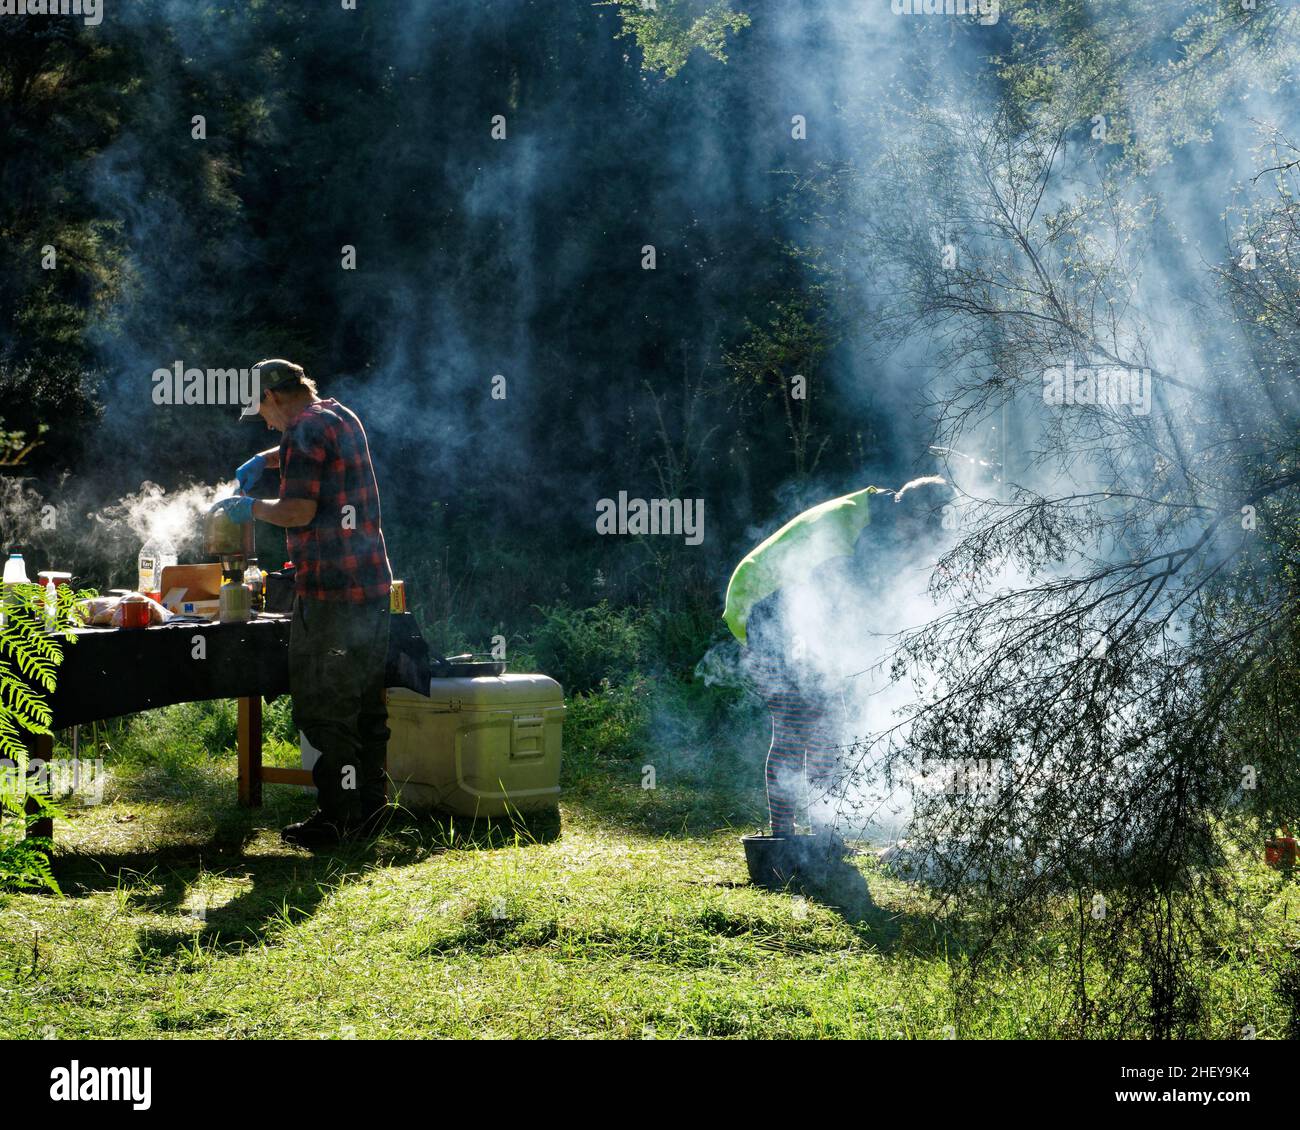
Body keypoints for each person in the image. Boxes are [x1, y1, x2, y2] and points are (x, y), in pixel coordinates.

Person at [214, 358, 393, 849]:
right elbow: (305, 452)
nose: (264, 419)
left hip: (331, 595)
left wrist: (249, 507)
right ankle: (370, 812)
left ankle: (336, 821)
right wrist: (267, 460)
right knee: (365, 709)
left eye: (262, 409)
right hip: (372, 588)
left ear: (272, 397)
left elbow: (298, 510)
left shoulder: (303, 431)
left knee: (325, 709)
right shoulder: (337, 416)